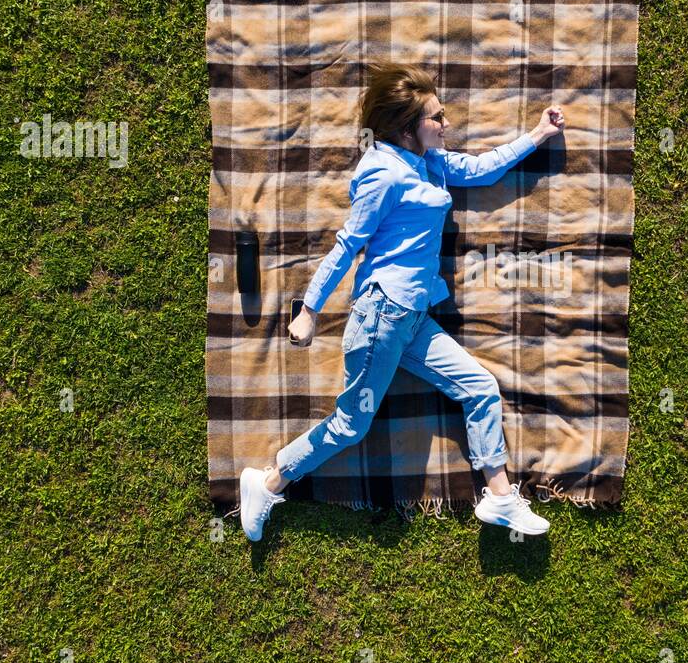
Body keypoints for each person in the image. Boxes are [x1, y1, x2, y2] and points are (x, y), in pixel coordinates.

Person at [235, 62, 565, 542]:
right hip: (381, 316)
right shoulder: (383, 174)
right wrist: (308, 310)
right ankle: (268, 481)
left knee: (479, 388)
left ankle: (498, 497)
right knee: (352, 425)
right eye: (437, 117)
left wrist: (538, 134)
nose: (446, 123)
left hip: (411, 319)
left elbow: (480, 168)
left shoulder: (430, 161)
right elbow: (348, 243)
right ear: (408, 129)